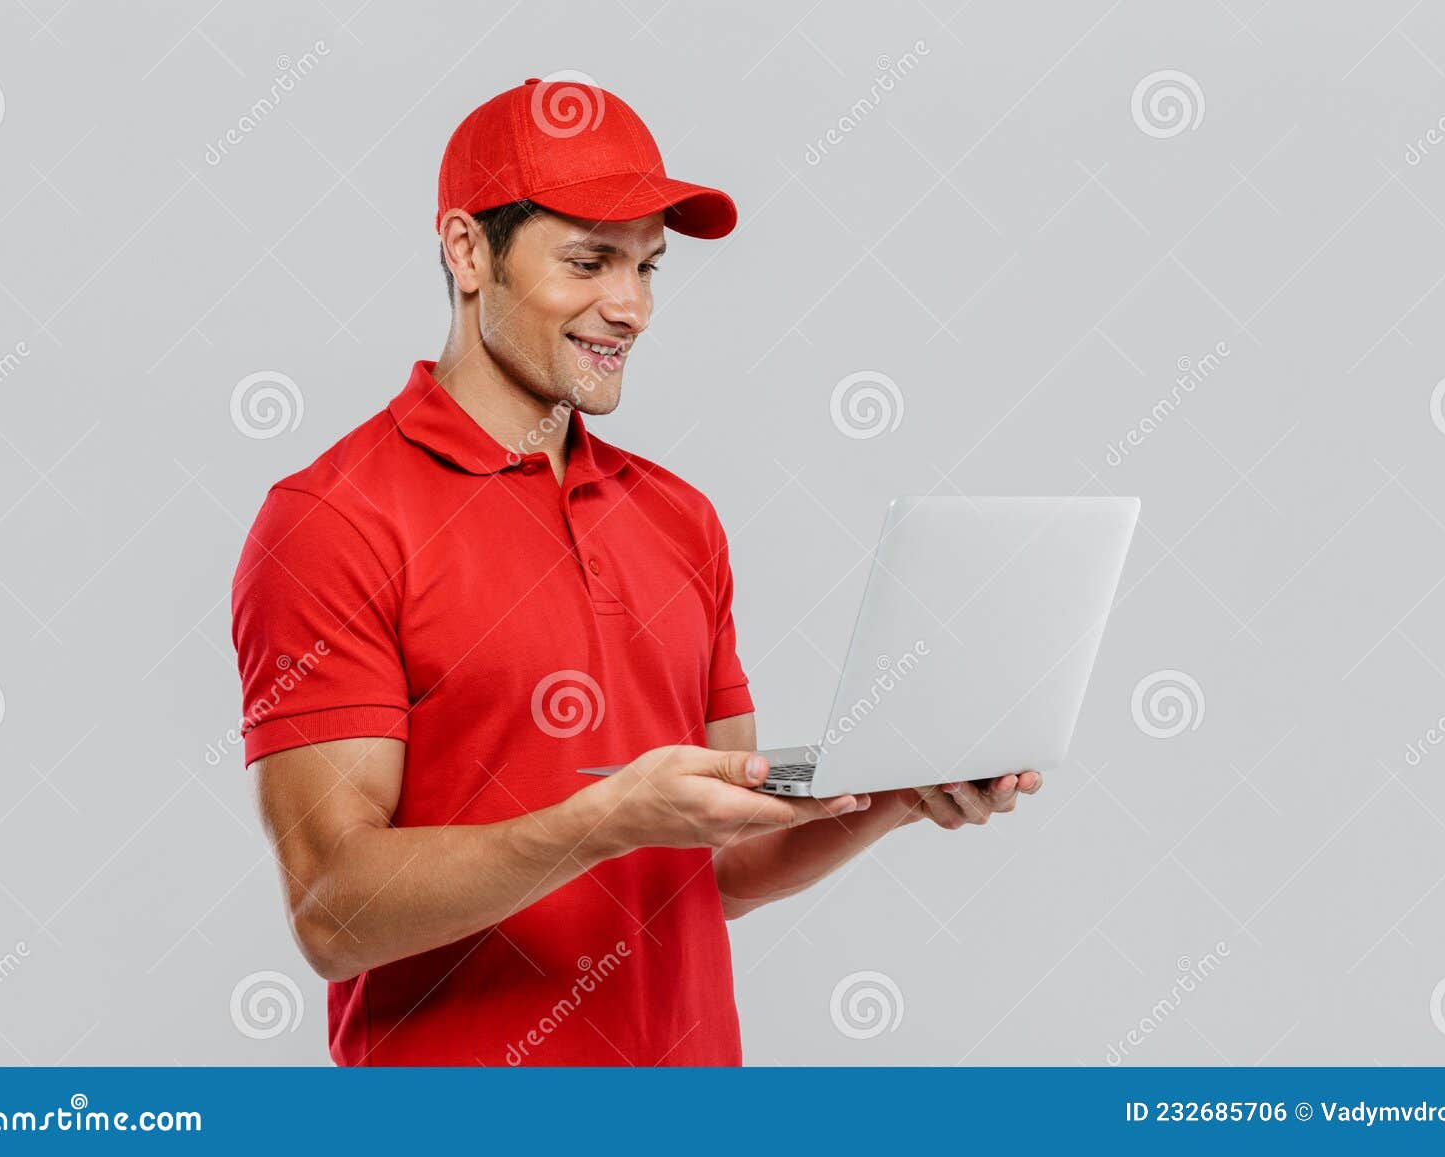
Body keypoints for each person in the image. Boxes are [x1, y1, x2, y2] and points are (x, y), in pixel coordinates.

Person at [230, 76, 1040, 1066]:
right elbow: (332, 911)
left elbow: (721, 861)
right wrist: (604, 822)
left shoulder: (678, 518)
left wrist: (895, 790)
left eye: (648, 266)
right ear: (468, 251)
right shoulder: (333, 520)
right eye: (590, 261)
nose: (633, 307)